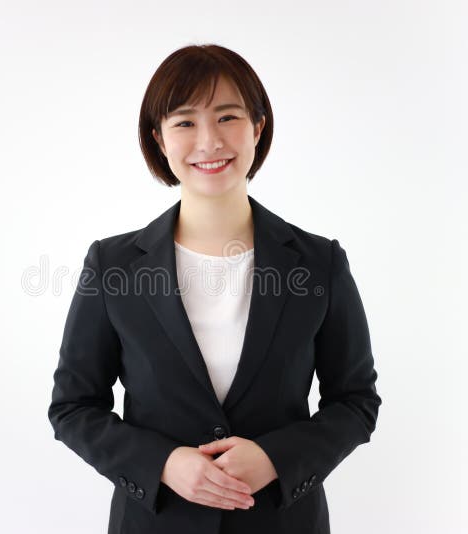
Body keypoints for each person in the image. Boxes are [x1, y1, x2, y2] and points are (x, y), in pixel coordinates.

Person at [48, 43, 382, 534]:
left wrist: (274, 458)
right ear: (159, 138)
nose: (209, 141)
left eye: (227, 117)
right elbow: (73, 406)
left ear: (257, 128)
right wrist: (163, 464)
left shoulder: (319, 262)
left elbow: (355, 401)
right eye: (185, 122)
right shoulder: (112, 264)